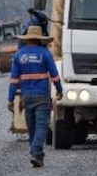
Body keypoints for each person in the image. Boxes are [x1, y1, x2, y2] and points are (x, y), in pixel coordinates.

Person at [8, 25, 64, 168]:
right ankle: (35, 151)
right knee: (41, 126)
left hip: (26, 97)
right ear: (39, 40)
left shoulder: (18, 56)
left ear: (26, 40)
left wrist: (10, 99)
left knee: (32, 127)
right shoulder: (45, 53)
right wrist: (59, 89)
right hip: (42, 96)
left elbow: (14, 81)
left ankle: (38, 156)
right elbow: (54, 75)